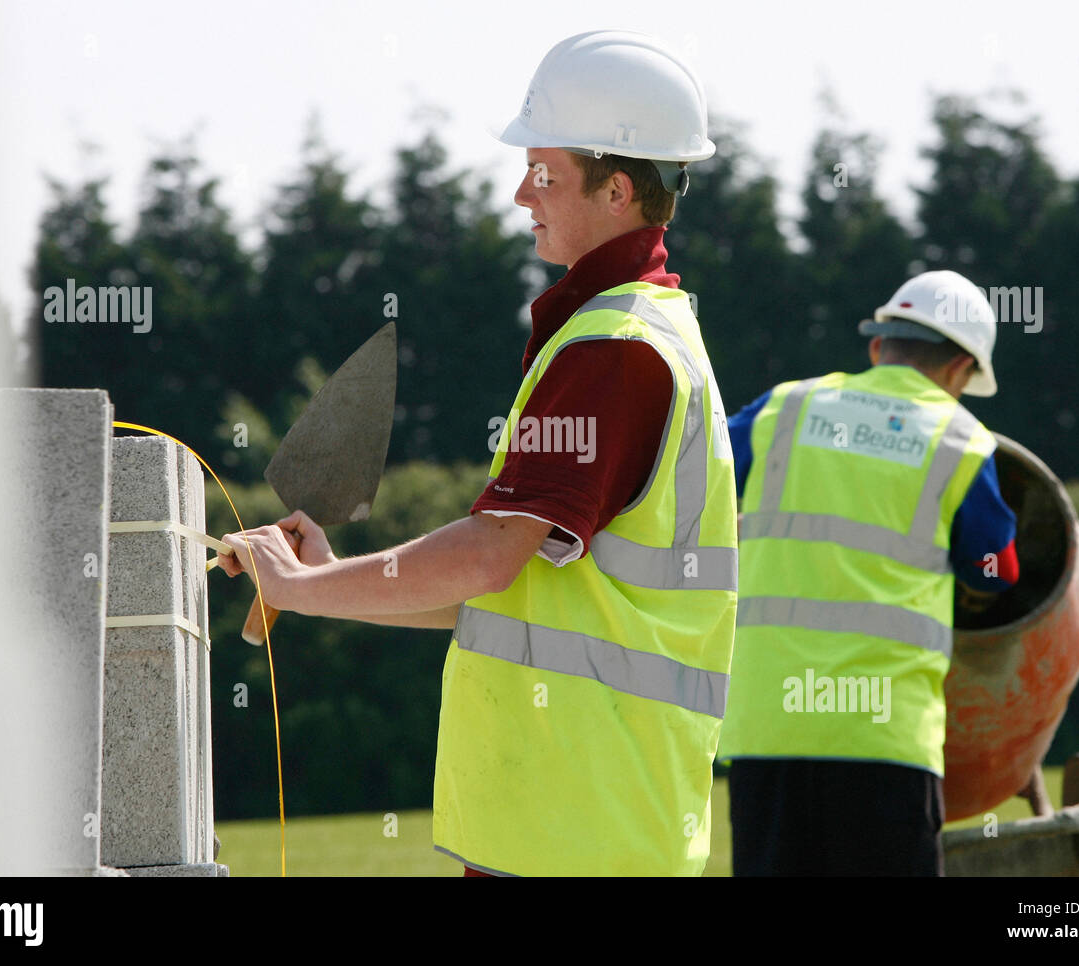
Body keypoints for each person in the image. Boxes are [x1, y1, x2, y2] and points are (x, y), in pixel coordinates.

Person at [218, 30, 738, 876]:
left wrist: (304, 587)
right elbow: (503, 599)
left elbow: (491, 558)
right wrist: (330, 582)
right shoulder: (632, 332)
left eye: (544, 173)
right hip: (583, 820)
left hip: (577, 826)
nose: (518, 194)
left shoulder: (616, 350)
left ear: (617, 188)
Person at [718, 270, 1020, 876]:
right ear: (962, 369)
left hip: (767, 731)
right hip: (884, 740)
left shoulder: (788, 406)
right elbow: (996, 570)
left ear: (878, 346)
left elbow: (699, 474)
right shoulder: (959, 438)